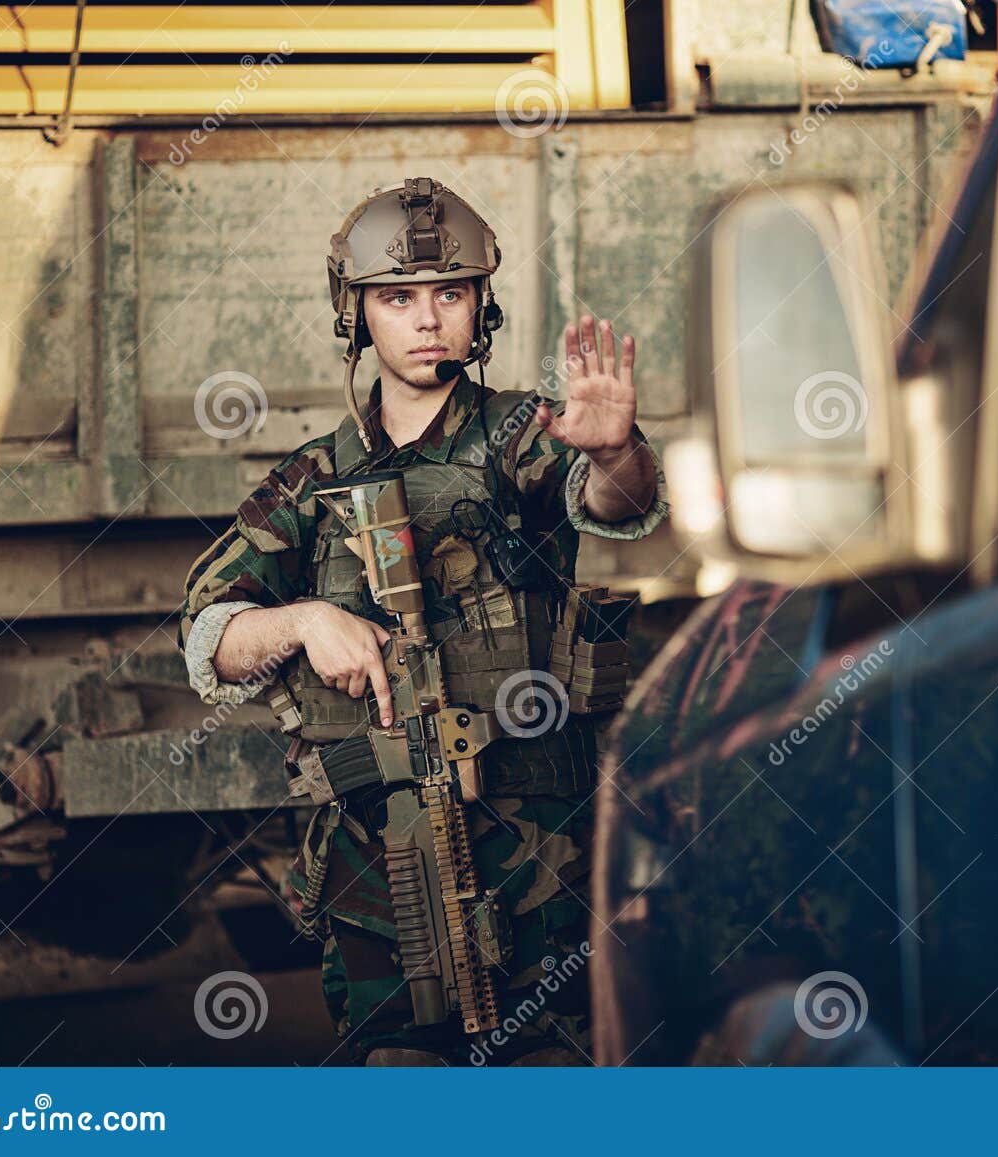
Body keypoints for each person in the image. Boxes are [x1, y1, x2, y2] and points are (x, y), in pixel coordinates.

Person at [179, 177, 667, 1064]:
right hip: (378, 865)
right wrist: (304, 619)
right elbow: (208, 629)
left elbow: (611, 499)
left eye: (450, 293)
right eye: (397, 297)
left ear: (482, 305)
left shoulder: (524, 434)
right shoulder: (313, 477)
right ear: (356, 312)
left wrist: (616, 451)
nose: (426, 318)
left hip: (536, 856)